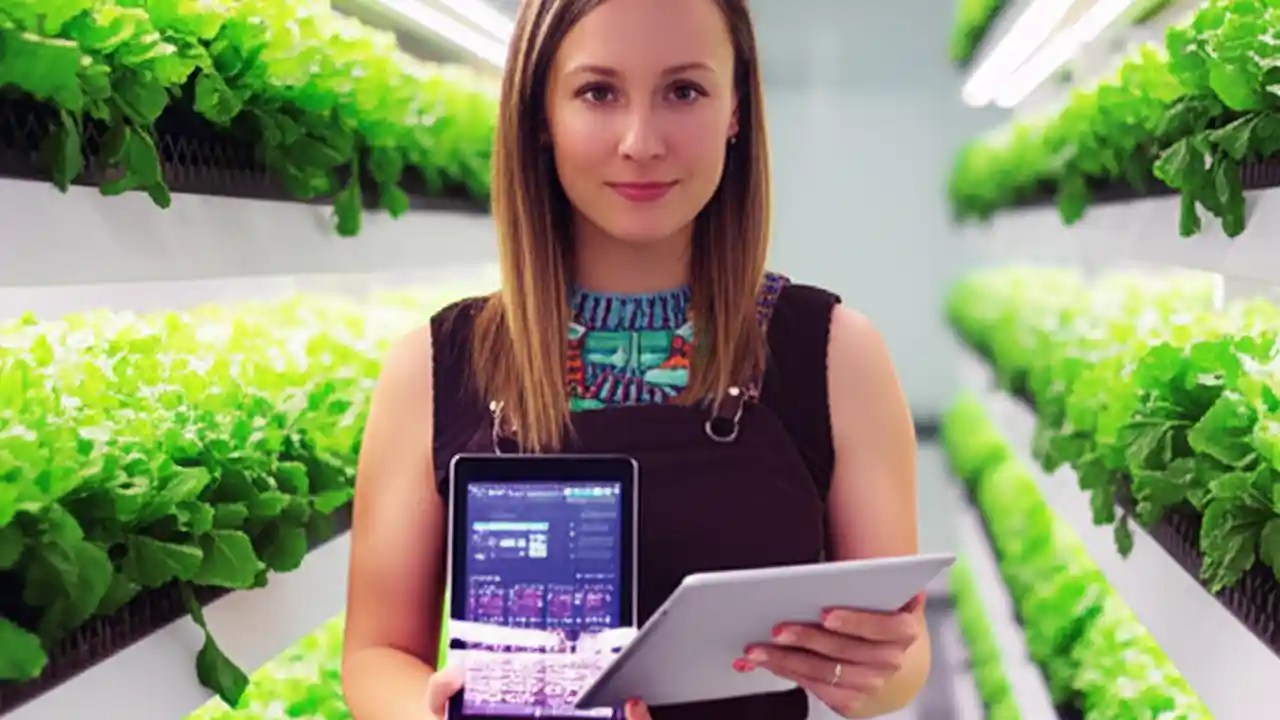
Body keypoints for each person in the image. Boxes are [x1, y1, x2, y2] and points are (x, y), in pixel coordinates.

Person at [340, 0, 929, 718]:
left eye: (684, 91)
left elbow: (905, 658)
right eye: (598, 92)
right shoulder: (433, 367)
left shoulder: (837, 352)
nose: (641, 141)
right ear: (539, 116)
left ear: (735, 108)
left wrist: (871, 666)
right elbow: (376, 656)